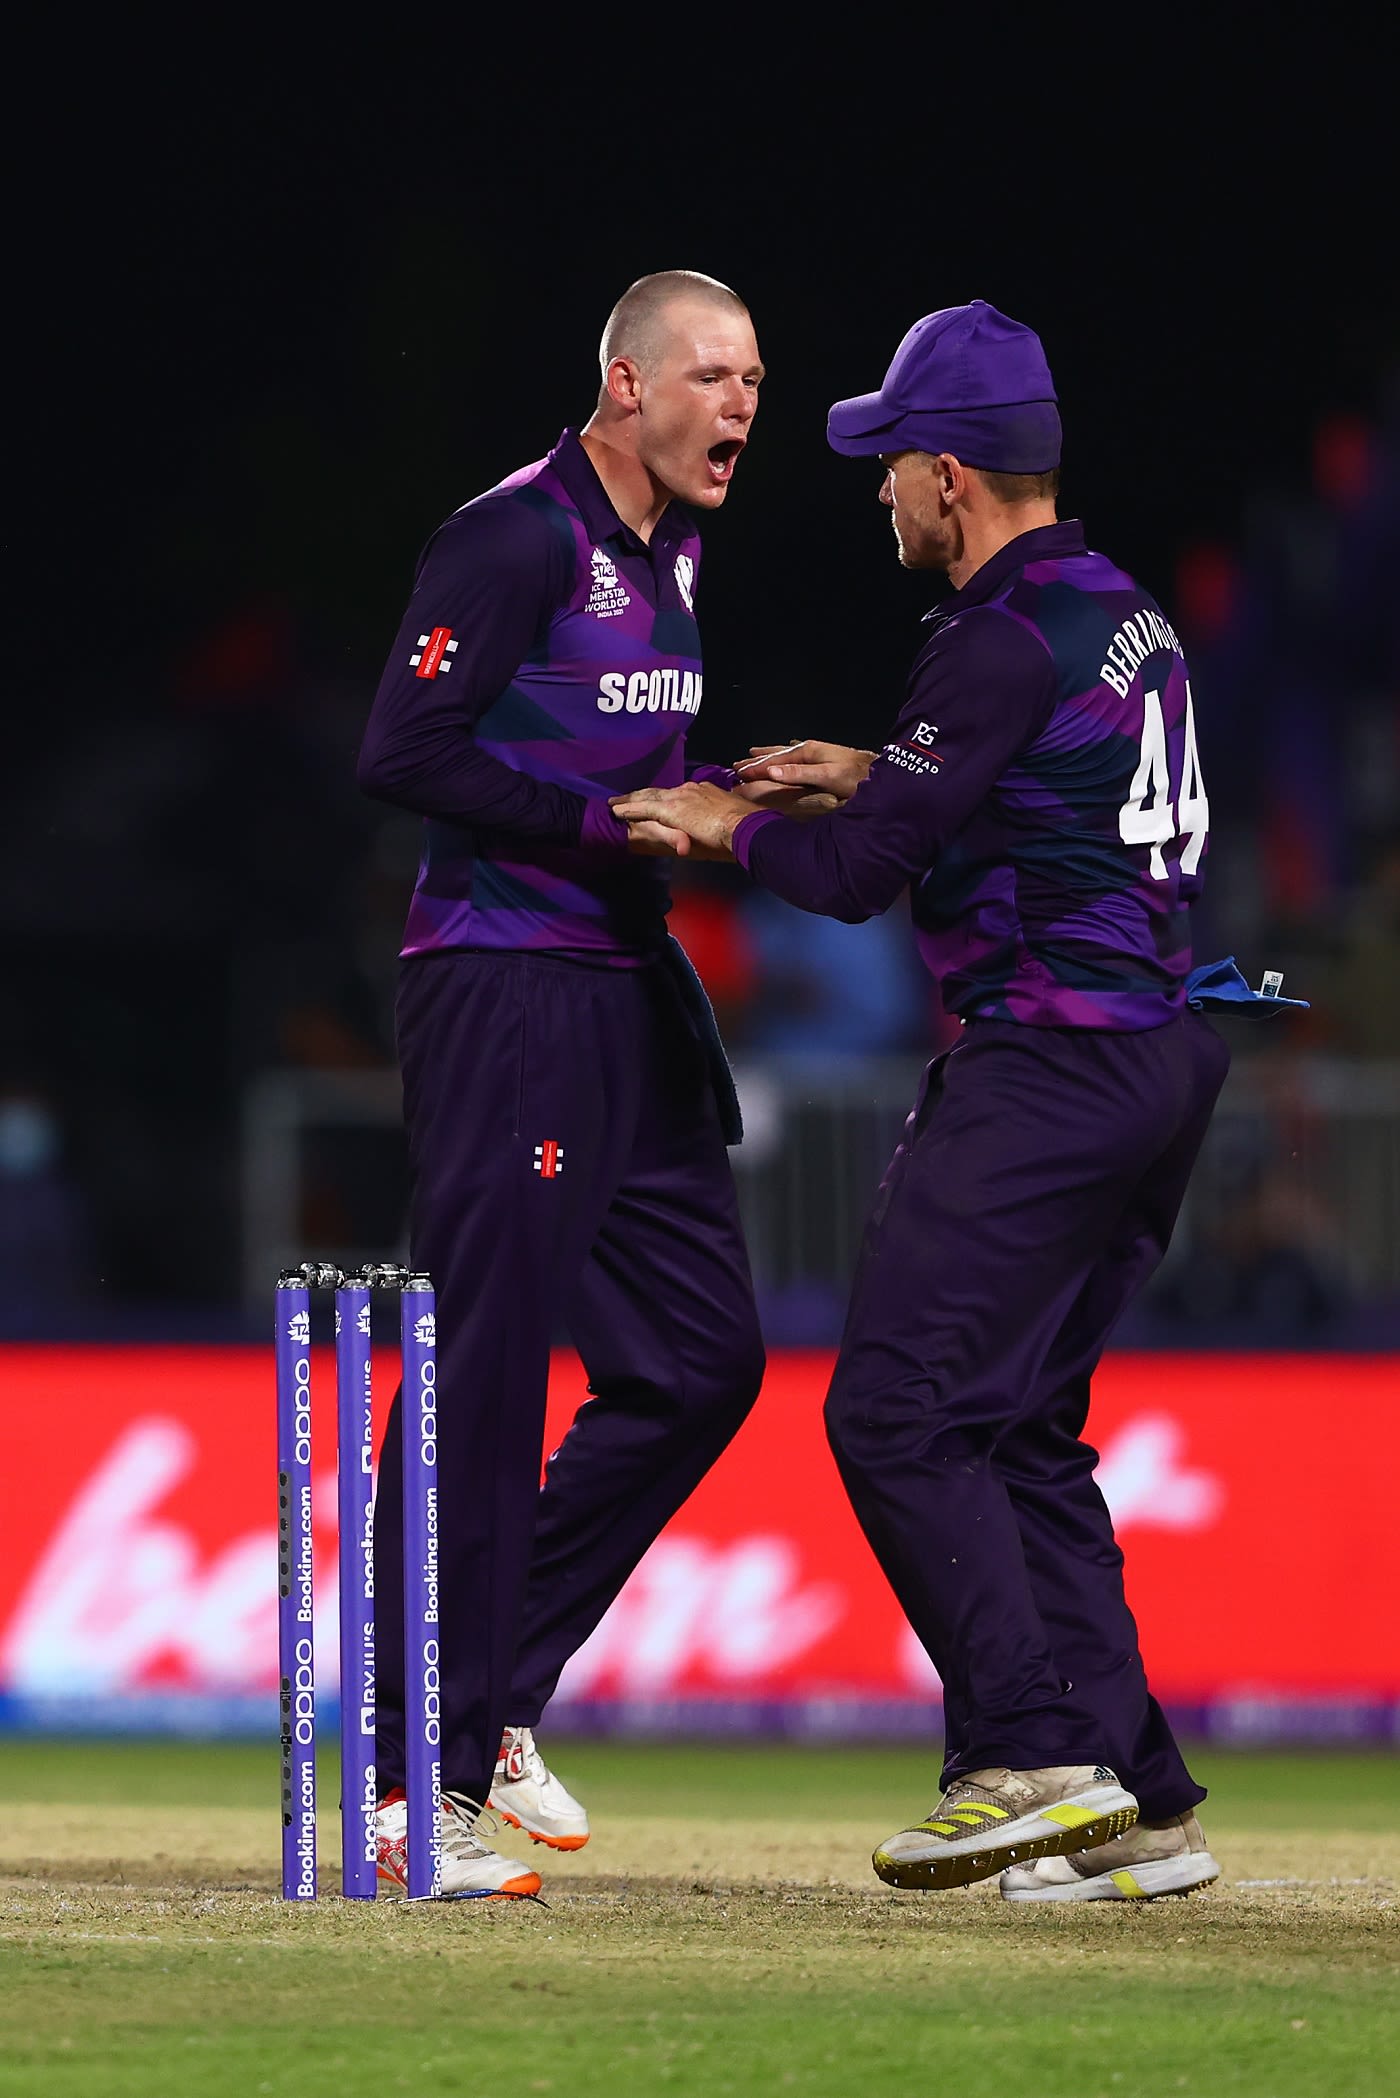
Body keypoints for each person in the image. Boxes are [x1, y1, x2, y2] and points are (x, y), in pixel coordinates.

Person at [613, 300, 1230, 1906]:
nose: (878, 488)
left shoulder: (992, 634)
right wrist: (876, 768)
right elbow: (1034, 788)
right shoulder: (1118, 609)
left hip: (1052, 1062)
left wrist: (722, 825)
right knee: (1018, 1427)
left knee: (894, 1409)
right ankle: (1141, 1806)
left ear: (950, 476)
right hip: (1159, 1055)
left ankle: (1027, 1756)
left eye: (890, 460)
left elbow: (857, 881)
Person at [356, 271, 769, 1897]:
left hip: (624, 991)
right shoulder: (515, 535)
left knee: (699, 1361)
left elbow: (610, 757)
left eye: (755, 379)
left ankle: (497, 1683)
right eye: (715, 375)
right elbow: (403, 747)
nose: (743, 405)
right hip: (505, 982)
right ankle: (410, 1780)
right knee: (486, 1367)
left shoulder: (674, 550)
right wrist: (613, 827)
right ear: (627, 382)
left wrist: (728, 794)